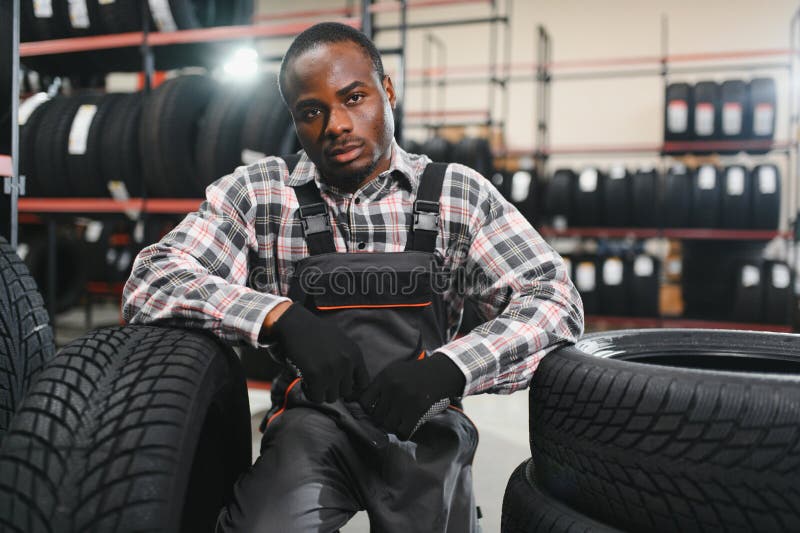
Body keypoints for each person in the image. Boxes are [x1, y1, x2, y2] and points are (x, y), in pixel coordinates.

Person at [122, 21, 583, 533]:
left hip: (423, 423)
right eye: (311, 111)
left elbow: (553, 300)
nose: (336, 124)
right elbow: (153, 279)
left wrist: (450, 369)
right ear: (294, 121)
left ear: (387, 91)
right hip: (312, 425)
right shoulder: (262, 195)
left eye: (353, 98)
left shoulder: (457, 194)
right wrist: (278, 317)